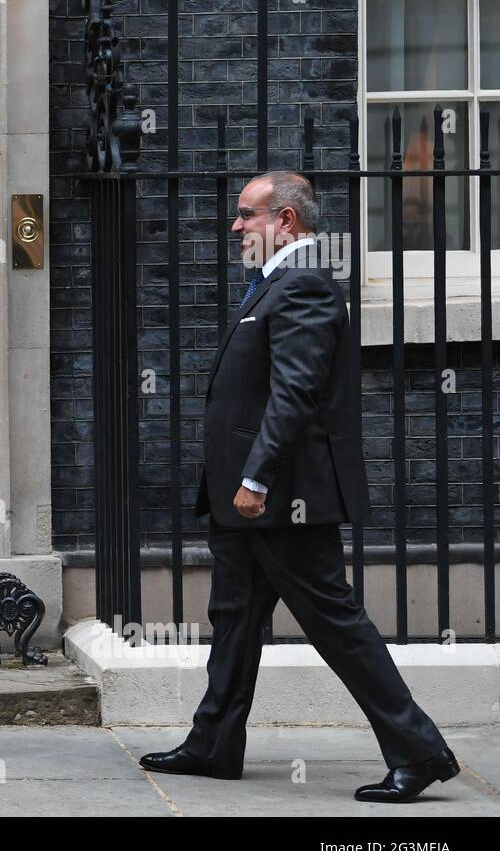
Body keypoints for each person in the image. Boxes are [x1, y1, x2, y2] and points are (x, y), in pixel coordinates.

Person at [138, 171, 457, 802]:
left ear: (285, 220)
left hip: (283, 498)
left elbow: (295, 391)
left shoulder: (303, 283)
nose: (235, 227)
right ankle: (214, 742)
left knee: (335, 623)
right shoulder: (272, 282)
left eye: (247, 215)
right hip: (243, 499)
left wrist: (257, 476)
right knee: (233, 618)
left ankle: (419, 751)